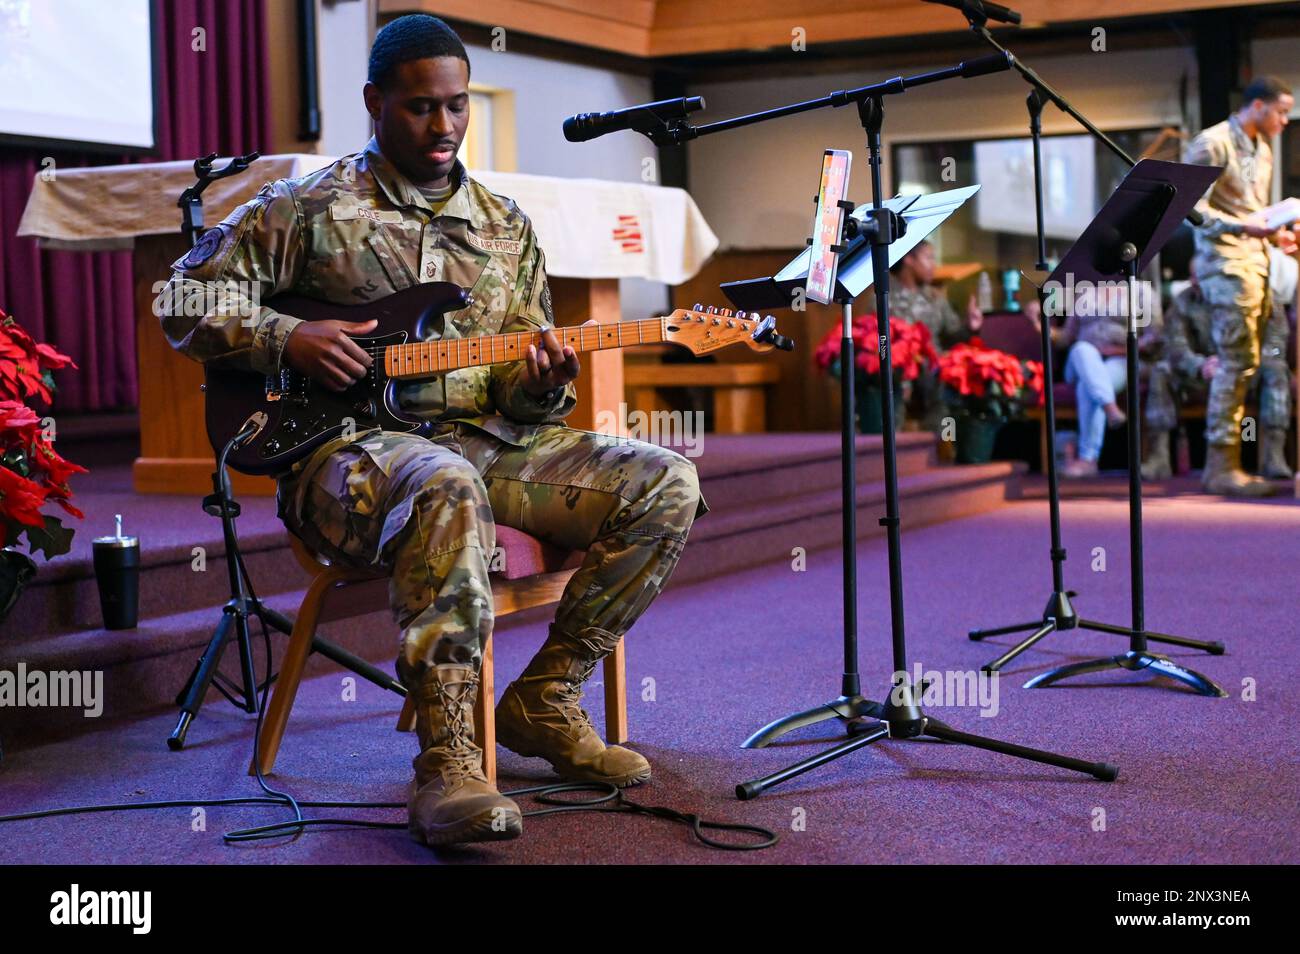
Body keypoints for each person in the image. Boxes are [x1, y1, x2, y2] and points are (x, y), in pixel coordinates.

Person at [159, 15, 706, 847]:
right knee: (441, 485)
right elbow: (179, 299)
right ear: (375, 101)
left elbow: (522, 397)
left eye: (457, 106)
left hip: (479, 442)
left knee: (667, 479)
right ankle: (449, 757)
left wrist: (537, 383)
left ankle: (544, 700)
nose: (444, 126)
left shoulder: (504, 224)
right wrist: (287, 338)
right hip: (340, 452)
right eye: (420, 108)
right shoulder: (306, 206)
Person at [1184, 75, 1296, 496]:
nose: (1285, 120)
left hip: (1257, 263)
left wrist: (1274, 230)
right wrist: (1244, 228)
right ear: (1258, 106)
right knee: (1235, 362)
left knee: (1251, 363)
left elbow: (1252, 210)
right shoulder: (1212, 142)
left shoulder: (1262, 148)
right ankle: (1220, 467)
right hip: (1225, 265)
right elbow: (1189, 206)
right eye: (1281, 111)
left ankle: (1238, 464)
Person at [891, 240, 983, 432]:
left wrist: (970, 326)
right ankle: (890, 446)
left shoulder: (935, 297)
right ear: (909, 259)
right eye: (929, 258)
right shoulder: (884, 295)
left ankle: (944, 443)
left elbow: (953, 334)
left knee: (954, 379)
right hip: (897, 366)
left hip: (932, 368)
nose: (934, 265)